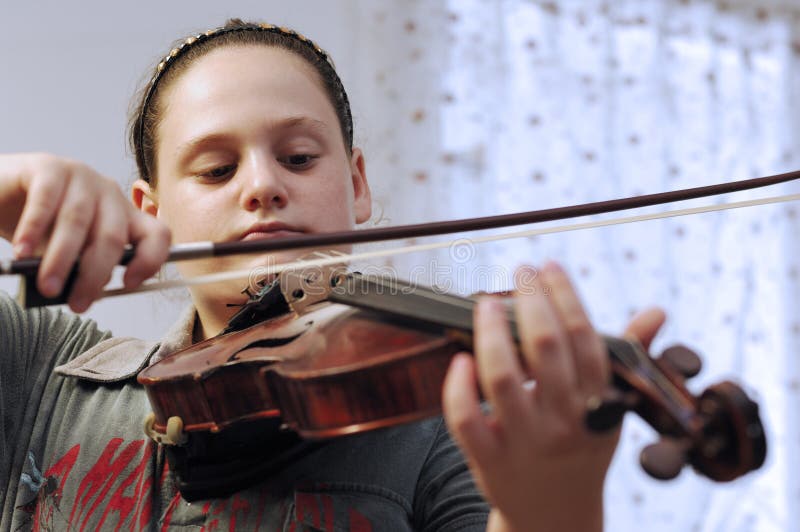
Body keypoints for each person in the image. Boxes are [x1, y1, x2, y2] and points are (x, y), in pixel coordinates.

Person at [0, 19, 665, 531]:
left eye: (297, 157)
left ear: (356, 185)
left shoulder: (445, 420)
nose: (262, 185)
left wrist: (550, 508)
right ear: (153, 212)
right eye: (215, 170)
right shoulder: (46, 373)